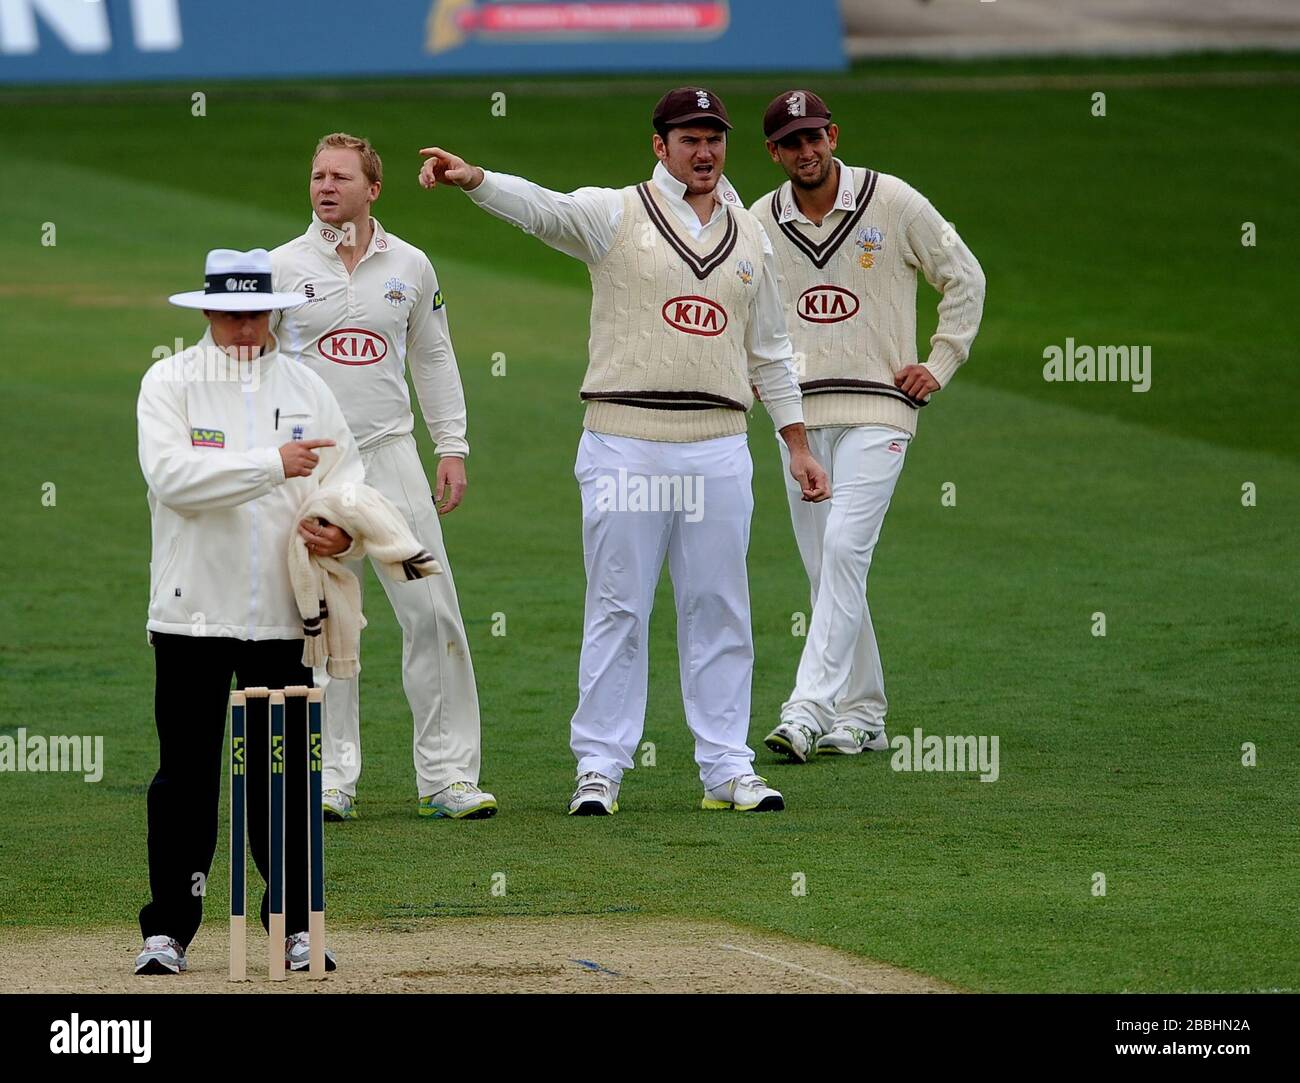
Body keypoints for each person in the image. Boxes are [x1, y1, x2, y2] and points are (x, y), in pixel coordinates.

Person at [418, 87, 830, 815]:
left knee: (721, 606)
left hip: (719, 444)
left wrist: (796, 444)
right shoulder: (617, 214)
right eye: (688, 137)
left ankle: (726, 767)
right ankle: (600, 766)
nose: (703, 150)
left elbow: (769, 353)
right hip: (625, 439)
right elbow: (544, 208)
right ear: (659, 144)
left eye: (713, 137)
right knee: (618, 606)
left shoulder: (750, 234)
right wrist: (474, 179)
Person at [135, 248, 362, 975]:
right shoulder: (169, 381)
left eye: (255, 313)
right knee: (187, 775)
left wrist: (342, 528)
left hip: (283, 613)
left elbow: (347, 479)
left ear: (274, 314)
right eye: (230, 313)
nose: (242, 327)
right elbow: (173, 478)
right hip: (191, 610)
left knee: (285, 774)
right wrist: (273, 463)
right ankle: (168, 929)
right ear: (206, 311)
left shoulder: (306, 386)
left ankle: (294, 926)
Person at [752, 91, 986, 763]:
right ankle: (864, 713)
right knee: (826, 568)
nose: (806, 151)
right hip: (797, 419)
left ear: (833, 135)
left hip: (881, 410)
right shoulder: (758, 220)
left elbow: (964, 276)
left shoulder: (895, 202)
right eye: (791, 143)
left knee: (846, 549)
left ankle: (805, 710)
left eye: (814, 137)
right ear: (774, 152)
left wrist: (939, 363)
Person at [270, 133, 495, 822]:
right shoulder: (280, 265)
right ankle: (330, 778)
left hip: (392, 455)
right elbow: (252, 367)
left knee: (431, 610)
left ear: (374, 188)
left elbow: (433, 358)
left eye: (340, 176)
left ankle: (448, 775)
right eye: (316, 176)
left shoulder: (412, 266)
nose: (325, 187)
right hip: (314, 464)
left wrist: (450, 445)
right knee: (327, 622)